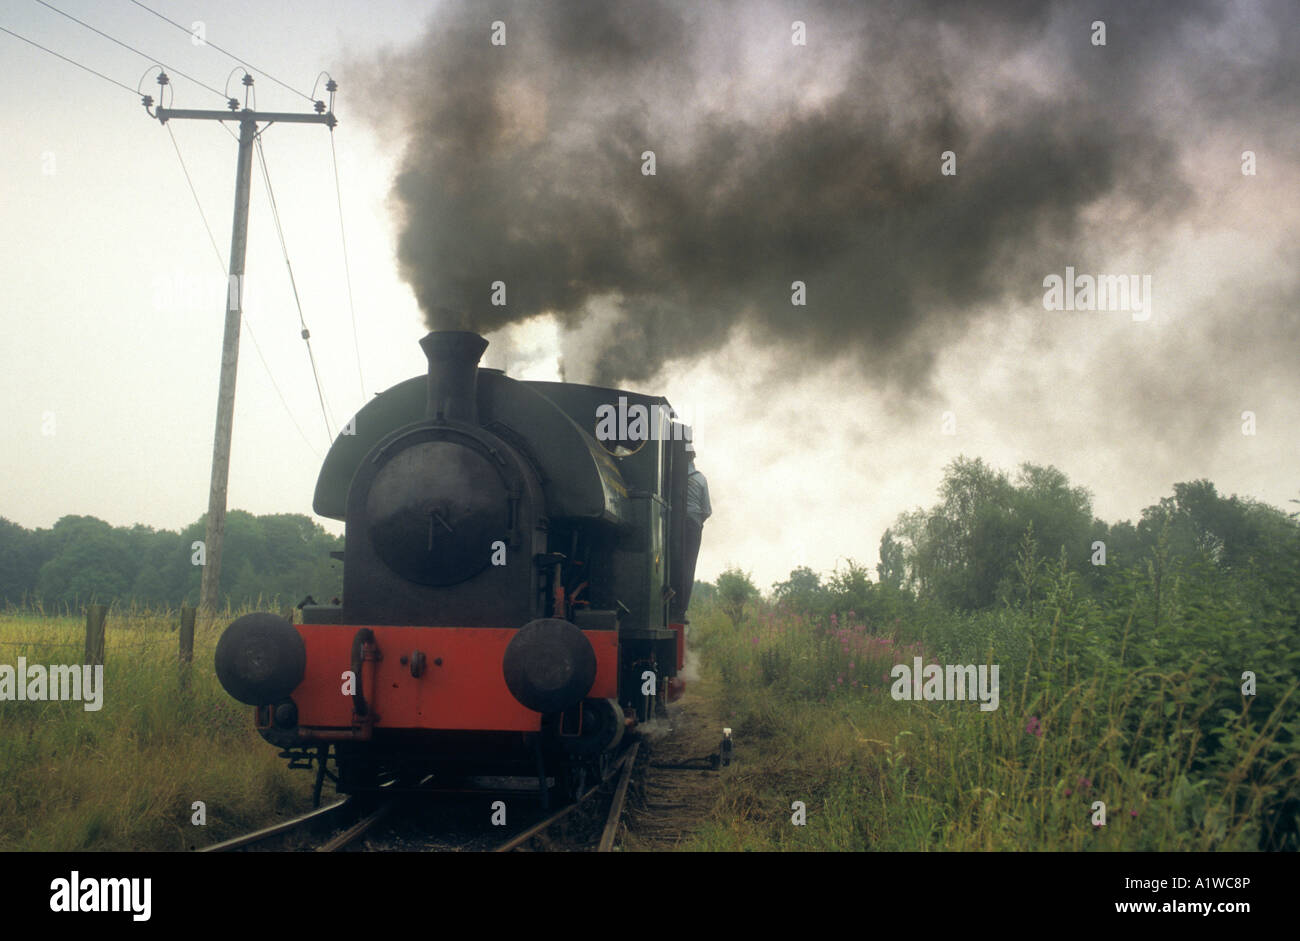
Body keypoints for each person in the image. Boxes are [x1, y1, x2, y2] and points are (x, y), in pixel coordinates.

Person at [681, 446, 711, 618]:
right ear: (693, 458)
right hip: (693, 525)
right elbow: (707, 510)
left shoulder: (671, 477)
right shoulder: (701, 479)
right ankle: (682, 609)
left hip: (673, 524)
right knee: (689, 566)